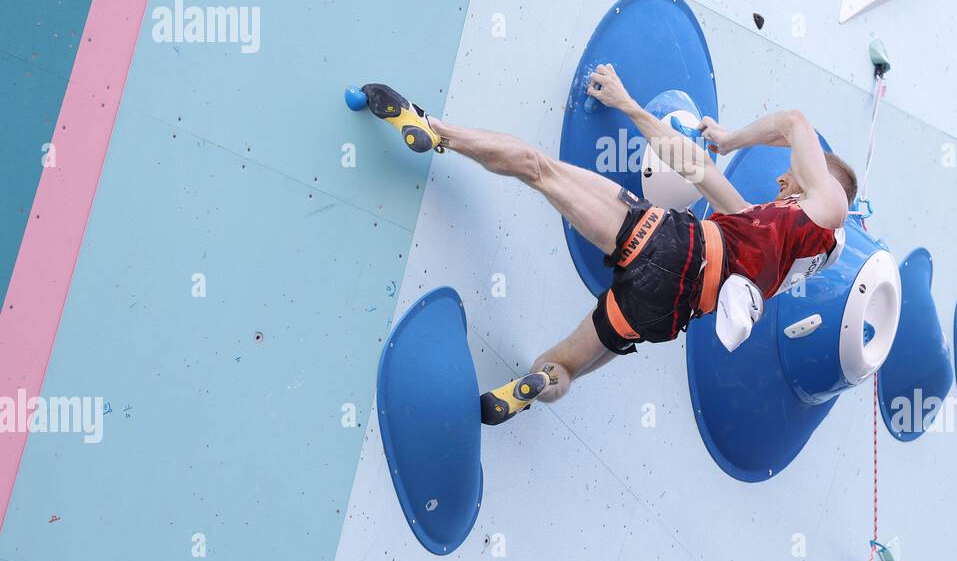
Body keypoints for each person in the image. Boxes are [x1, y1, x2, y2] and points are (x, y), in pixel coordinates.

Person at [356, 64, 858, 426]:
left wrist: (727, 139)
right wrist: (630, 106)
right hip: (668, 312)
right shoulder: (771, 250)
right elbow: (696, 169)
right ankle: (535, 386)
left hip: (672, 245)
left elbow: (790, 123)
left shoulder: (828, 209)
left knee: (539, 168)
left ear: (823, 184)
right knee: (566, 366)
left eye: (794, 173)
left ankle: (434, 130)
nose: (784, 179)